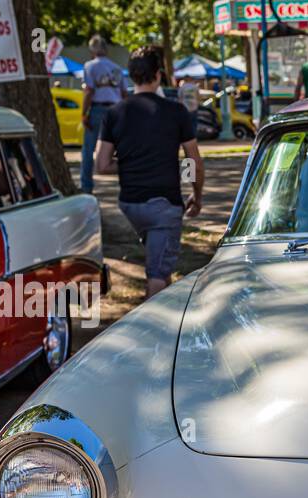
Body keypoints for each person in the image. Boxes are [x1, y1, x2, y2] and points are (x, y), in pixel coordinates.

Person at [95, 46, 204, 300]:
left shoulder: (113, 113)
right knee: (157, 274)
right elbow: (193, 161)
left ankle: (165, 312)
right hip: (163, 205)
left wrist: (134, 164)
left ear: (131, 76)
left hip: (130, 205)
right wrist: (195, 195)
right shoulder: (176, 112)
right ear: (158, 75)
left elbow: (101, 164)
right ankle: (153, 333)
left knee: (161, 263)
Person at [80, 35, 127, 193]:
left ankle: (86, 187)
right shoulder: (117, 68)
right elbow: (124, 93)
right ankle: (128, 183)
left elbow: (89, 91)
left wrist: (84, 113)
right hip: (117, 110)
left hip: (98, 110)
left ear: (92, 50)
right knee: (121, 150)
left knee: (88, 150)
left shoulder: (90, 66)